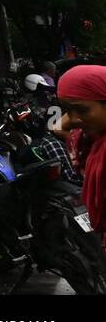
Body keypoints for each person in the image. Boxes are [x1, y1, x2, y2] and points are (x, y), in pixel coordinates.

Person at [57, 64, 106, 250]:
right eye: (67, 109)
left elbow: (57, 126)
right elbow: (56, 126)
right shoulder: (89, 138)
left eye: (82, 109)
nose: (74, 118)